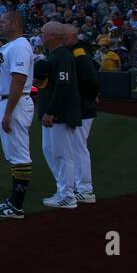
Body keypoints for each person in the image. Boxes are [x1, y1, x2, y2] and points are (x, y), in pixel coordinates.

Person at [0, 10, 36, 218]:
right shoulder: (9, 47)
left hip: (14, 103)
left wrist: (8, 113)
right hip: (6, 101)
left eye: (4, 21)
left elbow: (19, 80)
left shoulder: (20, 46)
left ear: (15, 23)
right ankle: (13, 202)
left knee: (19, 155)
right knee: (14, 154)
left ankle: (16, 205)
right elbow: (6, 77)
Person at [36, 21, 83, 209]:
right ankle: (62, 190)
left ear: (53, 36)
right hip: (53, 115)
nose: (41, 34)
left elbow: (63, 86)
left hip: (59, 115)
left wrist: (51, 112)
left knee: (63, 155)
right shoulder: (54, 55)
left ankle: (67, 195)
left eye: (43, 32)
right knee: (51, 152)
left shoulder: (62, 56)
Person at [66, 23, 99, 204]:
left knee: (78, 148)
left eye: (65, 36)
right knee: (76, 148)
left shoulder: (79, 53)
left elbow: (91, 80)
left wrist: (89, 98)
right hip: (82, 107)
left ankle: (86, 189)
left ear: (73, 37)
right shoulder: (76, 51)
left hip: (83, 108)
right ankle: (81, 186)